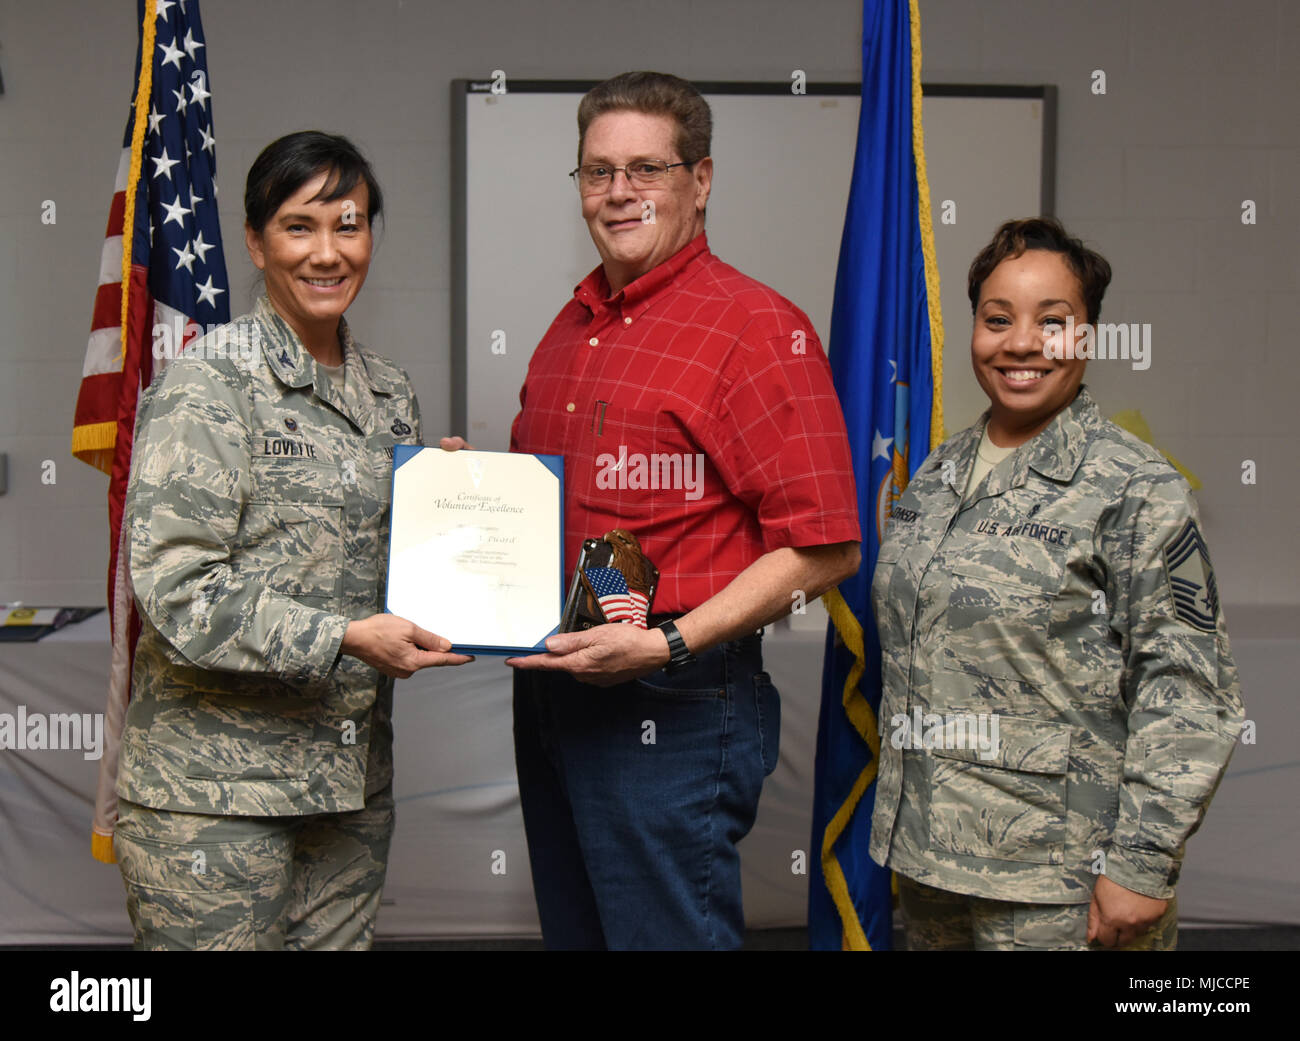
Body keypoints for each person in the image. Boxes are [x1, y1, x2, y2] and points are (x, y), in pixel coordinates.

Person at [495, 71, 861, 950]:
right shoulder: (572, 325)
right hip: (558, 686)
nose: (618, 192)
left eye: (646, 169)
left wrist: (665, 642)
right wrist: (466, 489)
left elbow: (827, 546)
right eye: (596, 171)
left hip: (674, 690)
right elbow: (554, 511)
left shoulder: (758, 328)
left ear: (700, 181)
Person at [113, 131, 471, 950]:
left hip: (347, 791)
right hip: (212, 802)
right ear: (255, 240)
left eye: (349, 225)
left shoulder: (389, 393)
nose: (327, 252)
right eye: (299, 226)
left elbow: (386, 571)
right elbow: (177, 587)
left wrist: (452, 505)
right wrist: (342, 636)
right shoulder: (211, 383)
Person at [868, 217, 1244, 950]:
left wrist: (1140, 865)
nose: (1021, 343)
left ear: (1090, 336)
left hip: (1061, 882)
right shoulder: (936, 477)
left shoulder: (1137, 488)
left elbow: (1192, 693)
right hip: (930, 864)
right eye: (997, 318)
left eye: (1054, 321)